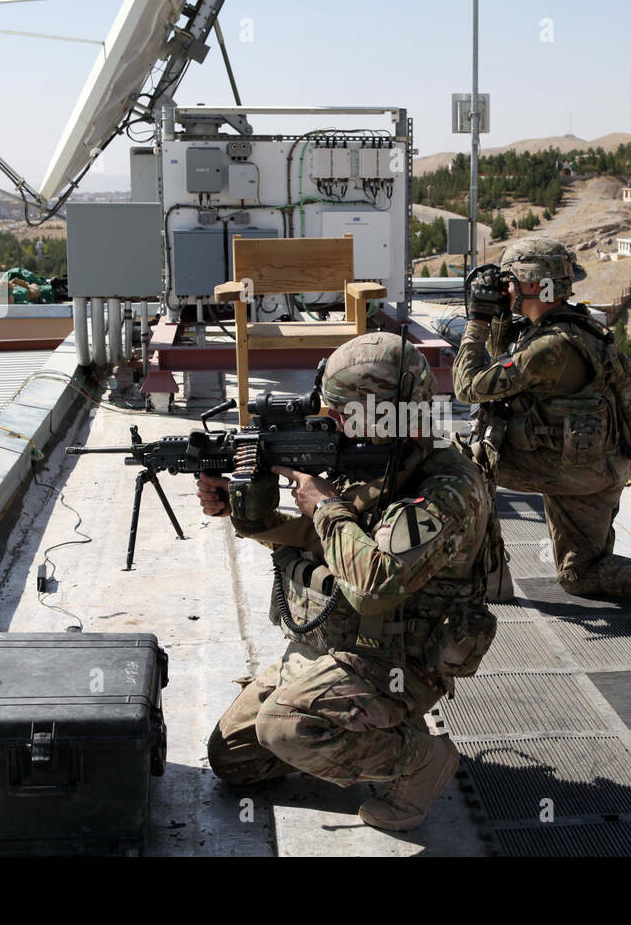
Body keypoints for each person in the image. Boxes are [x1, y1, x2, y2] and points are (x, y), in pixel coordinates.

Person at [201, 332, 497, 831]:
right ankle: (346, 726)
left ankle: (421, 759)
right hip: (338, 640)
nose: (331, 419)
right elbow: (321, 543)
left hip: (400, 659)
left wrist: (325, 507)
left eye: (342, 411)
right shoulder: (375, 455)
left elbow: (374, 587)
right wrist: (244, 509)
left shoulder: (447, 487)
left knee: (284, 727)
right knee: (233, 758)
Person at [452, 237, 631, 636]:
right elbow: (506, 365)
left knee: (466, 463)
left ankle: (485, 575)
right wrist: (500, 318)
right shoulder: (580, 327)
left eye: (511, 281)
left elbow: (468, 387)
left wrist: (477, 323)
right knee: (580, 575)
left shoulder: (548, 348)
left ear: (534, 285)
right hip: (600, 468)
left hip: (569, 469)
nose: (507, 289)